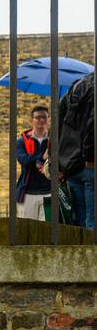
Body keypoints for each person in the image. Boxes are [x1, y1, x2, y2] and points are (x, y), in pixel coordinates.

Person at [58, 72, 95, 229]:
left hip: (70, 165)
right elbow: (92, 126)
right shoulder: (93, 91)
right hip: (90, 163)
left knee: (79, 223)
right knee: (92, 222)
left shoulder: (71, 92)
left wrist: (59, 163)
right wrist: (90, 157)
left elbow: (57, 128)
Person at [16, 105, 50, 220]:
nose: (41, 120)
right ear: (31, 120)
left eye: (44, 117)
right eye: (38, 117)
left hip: (49, 193)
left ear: (48, 119)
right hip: (28, 193)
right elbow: (24, 161)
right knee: (26, 232)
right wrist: (42, 156)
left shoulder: (55, 139)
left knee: (48, 232)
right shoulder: (22, 141)